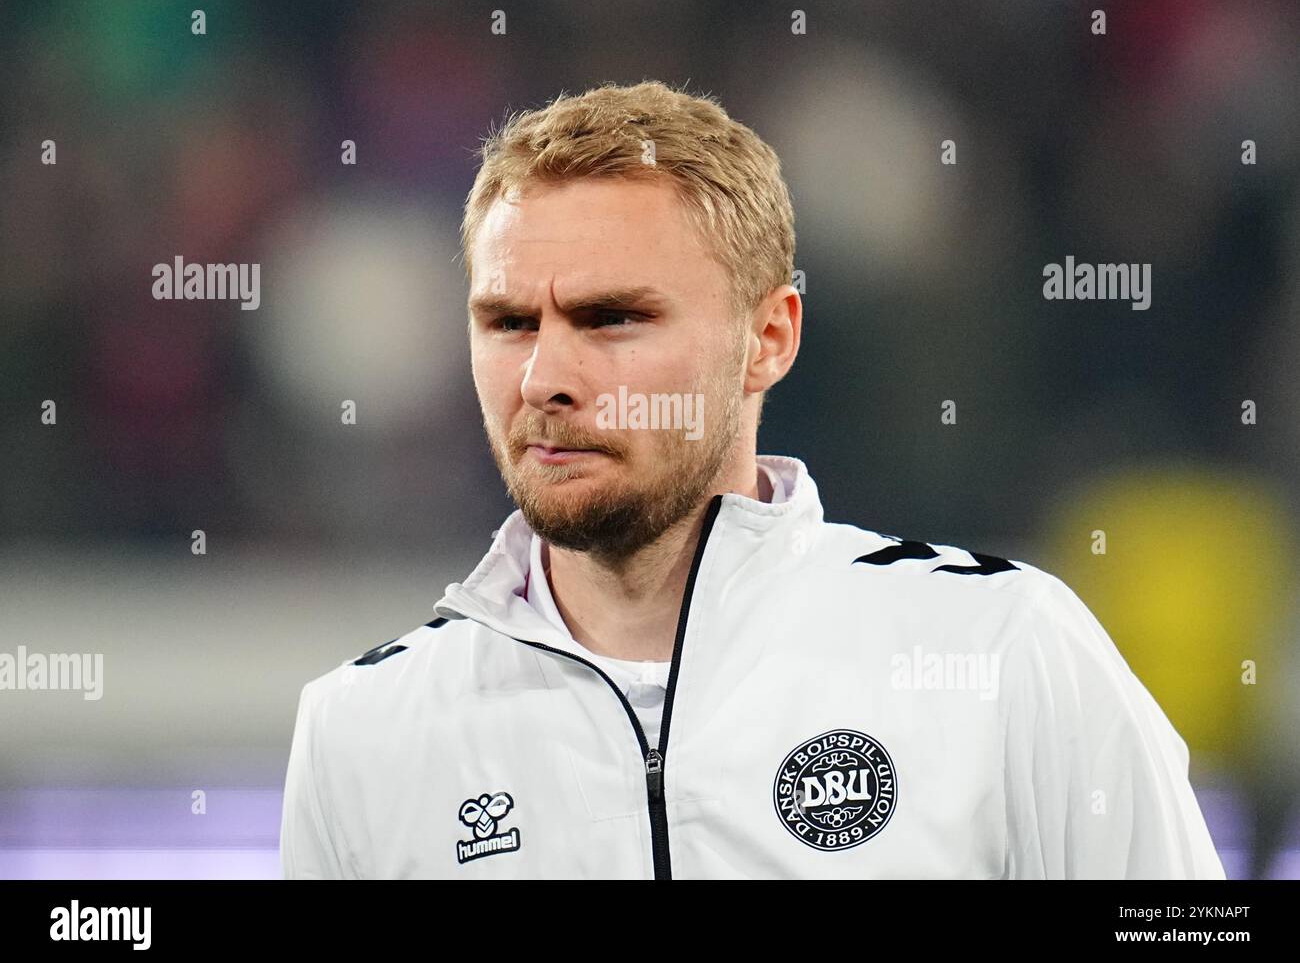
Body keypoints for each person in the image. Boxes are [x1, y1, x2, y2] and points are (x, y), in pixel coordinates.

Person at [280, 80, 1225, 879]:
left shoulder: (1009, 653)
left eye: (612, 318)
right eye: (510, 322)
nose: (544, 379)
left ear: (767, 338)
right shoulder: (361, 733)